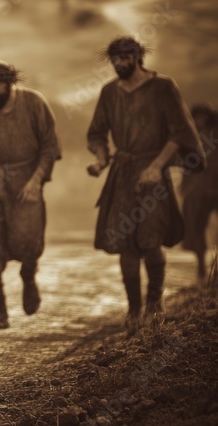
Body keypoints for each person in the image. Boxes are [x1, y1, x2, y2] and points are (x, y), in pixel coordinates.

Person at [87, 36, 203, 334]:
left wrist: (155, 167)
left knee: (150, 240)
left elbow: (179, 133)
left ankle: (155, 304)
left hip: (154, 173)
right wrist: (101, 161)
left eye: (125, 58)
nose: (119, 64)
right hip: (122, 174)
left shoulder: (163, 87)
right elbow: (98, 133)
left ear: (138, 57)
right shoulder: (109, 92)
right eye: (115, 59)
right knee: (125, 243)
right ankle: (134, 309)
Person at [0, 62, 61, 329]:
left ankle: (29, 278)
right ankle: (0, 312)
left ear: (10, 83)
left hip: (27, 178)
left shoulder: (34, 103)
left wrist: (36, 180)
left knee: (28, 240)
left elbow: (50, 146)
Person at [182, 104, 217, 285]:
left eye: (203, 116)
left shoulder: (215, 133)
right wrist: (185, 187)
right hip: (198, 190)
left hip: (215, 187)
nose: (199, 120)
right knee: (195, 228)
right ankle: (202, 267)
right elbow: (187, 167)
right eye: (196, 117)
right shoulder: (190, 137)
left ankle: (213, 269)